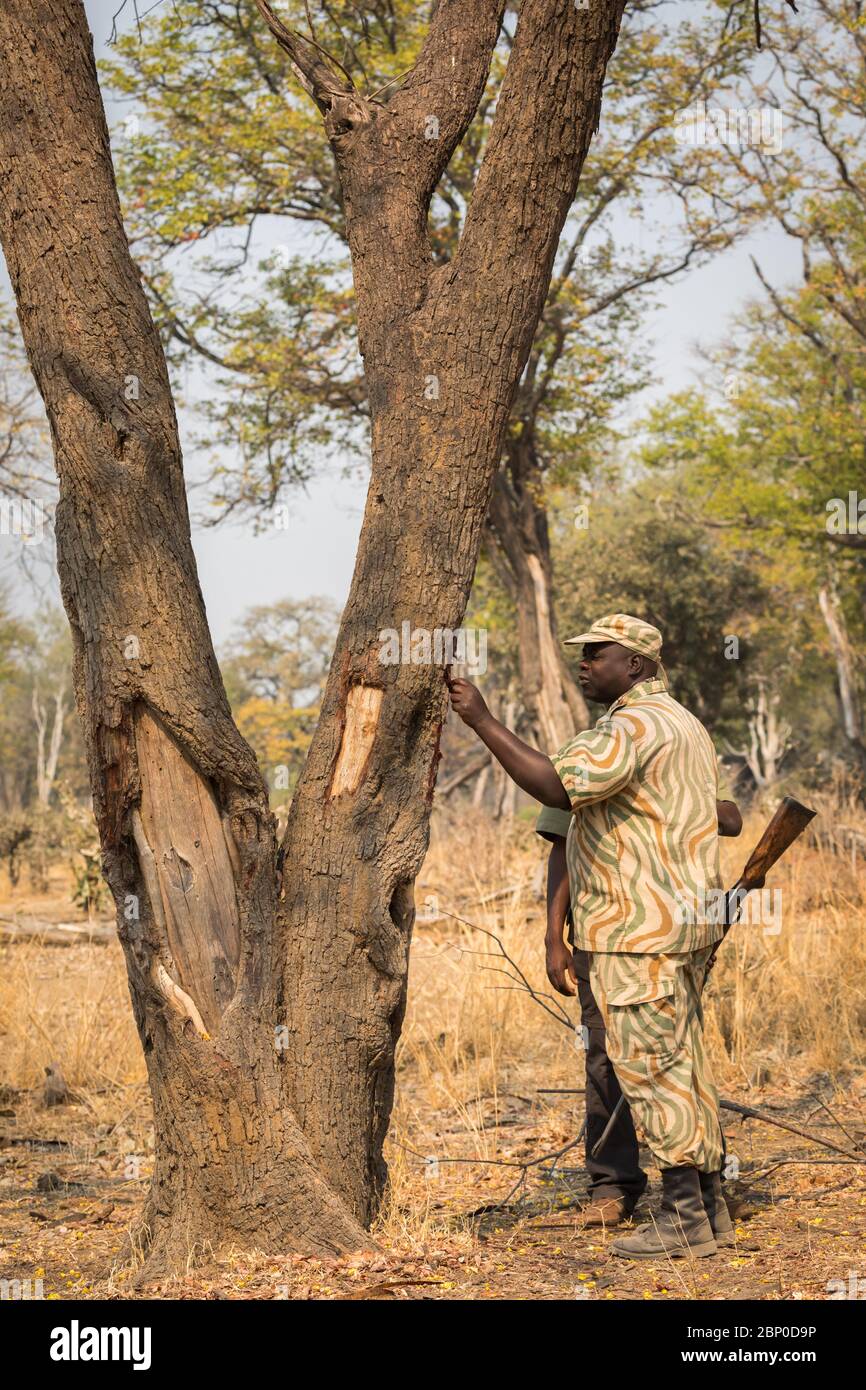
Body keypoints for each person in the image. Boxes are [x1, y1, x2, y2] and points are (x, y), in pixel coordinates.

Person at [447, 613, 742, 1259]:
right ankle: (709, 1208)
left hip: (638, 931)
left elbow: (553, 784)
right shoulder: (685, 724)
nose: (584, 663)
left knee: (652, 1069)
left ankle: (686, 1215)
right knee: (683, 1064)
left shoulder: (631, 726)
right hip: (682, 924)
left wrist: (483, 721)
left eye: (597, 653)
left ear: (635, 664)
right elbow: (724, 814)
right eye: (582, 653)